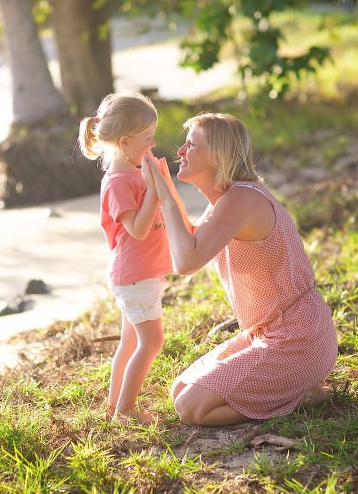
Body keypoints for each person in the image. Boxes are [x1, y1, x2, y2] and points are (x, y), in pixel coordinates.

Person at [142, 112, 338, 427]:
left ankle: (303, 396)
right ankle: (299, 387)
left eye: (191, 145)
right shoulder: (226, 201)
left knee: (193, 408)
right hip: (268, 332)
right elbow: (189, 239)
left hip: (298, 337)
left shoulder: (242, 199)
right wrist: (165, 191)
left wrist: (166, 197)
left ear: (218, 156)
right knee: (178, 390)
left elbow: (186, 262)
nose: (180, 151)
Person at [78, 92, 172, 424]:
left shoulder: (133, 173)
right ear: (125, 141)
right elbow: (137, 229)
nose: (153, 143)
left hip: (137, 274)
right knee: (152, 341)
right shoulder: (118, 181)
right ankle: (127, 410)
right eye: (148, 138)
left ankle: (113, 404)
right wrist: (153, 193)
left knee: (130, 342)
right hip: (134, 276)